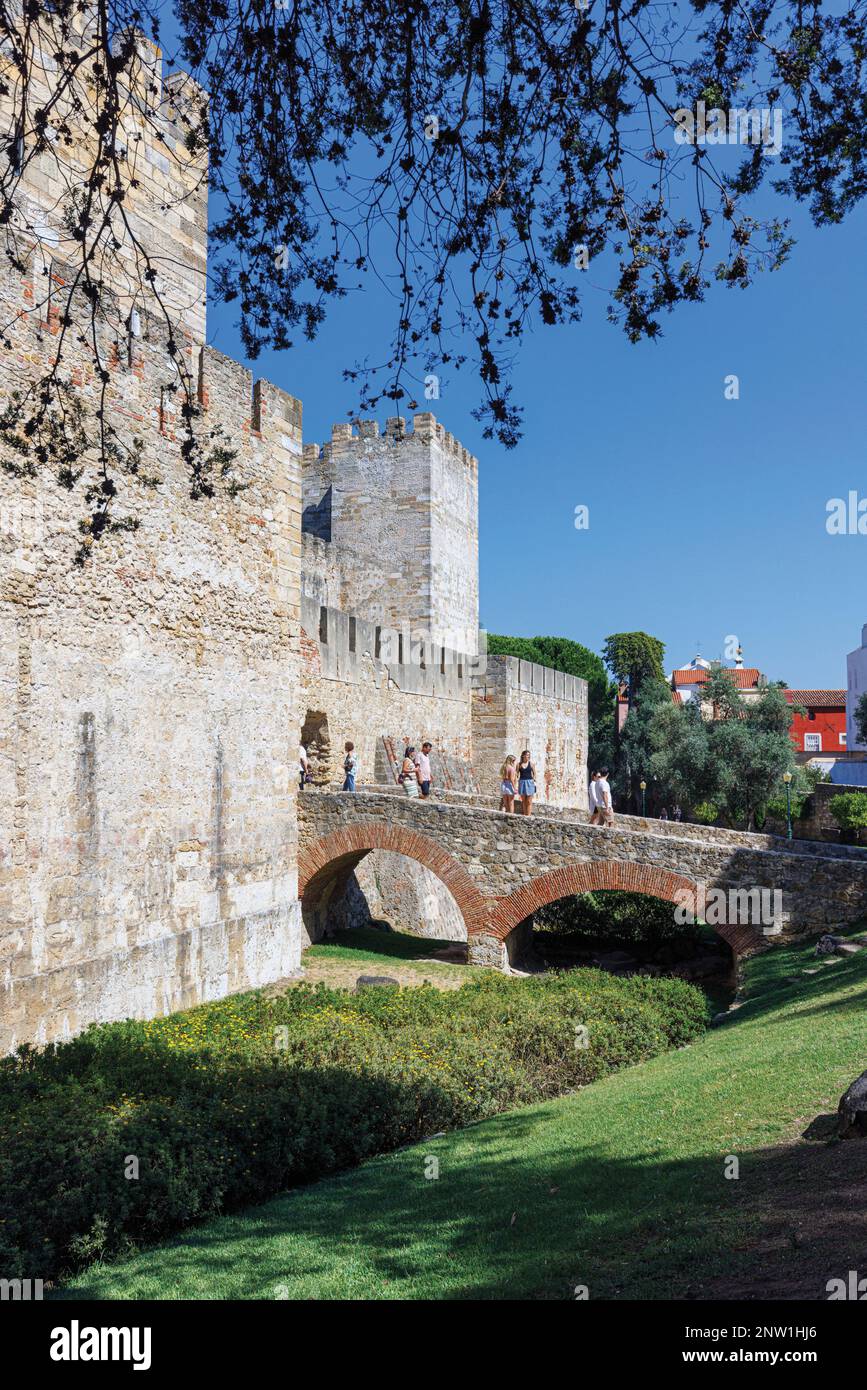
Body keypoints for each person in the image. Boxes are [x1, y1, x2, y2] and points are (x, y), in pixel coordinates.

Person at [517, 750, 536, 816]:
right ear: (523, 755)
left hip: (529, 783)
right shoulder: (519, 764)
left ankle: (529, 815)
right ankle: (525, 815)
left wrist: (533, 779)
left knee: (529, 801)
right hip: (522, 782)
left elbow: (534, 773)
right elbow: (516, 774)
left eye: (529, 755)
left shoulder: (531, 764)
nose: (528, 756)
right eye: (527, 755)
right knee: (524, 801)